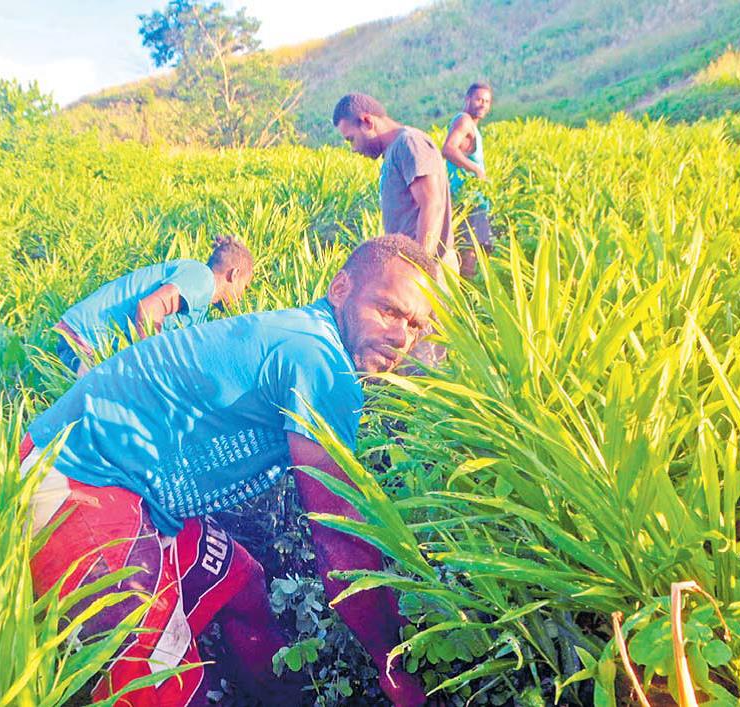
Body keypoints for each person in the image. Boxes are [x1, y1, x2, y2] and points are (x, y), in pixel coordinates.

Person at [22, 235, 437, 706]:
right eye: (388, 310)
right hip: (78, 480)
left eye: (415, 325)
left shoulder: (308, 336)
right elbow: (340, 537)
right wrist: (395, 666)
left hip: (137, 491)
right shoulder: (318, 360)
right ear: (340, 289)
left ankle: (285, 698)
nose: (401, 337)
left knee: (239, 583)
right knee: (160, 681)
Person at [53, 235, 254, 374]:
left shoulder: (200, 308)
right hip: (84, 340)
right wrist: (153, 366)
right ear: (234, 274)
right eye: (245, 287)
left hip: (84, 341)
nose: (242, 297)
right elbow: (149, 308)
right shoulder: (201, 277)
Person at [332, 93, 457, 274]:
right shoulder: (395, 150)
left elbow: (431, 204)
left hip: (429, 269)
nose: (353, 149)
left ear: (367, 122)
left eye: (351, 139)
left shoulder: (409, 143)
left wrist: (420, 268)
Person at [442, 82, 494, 277]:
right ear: (468, 99)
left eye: (487, 101)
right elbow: (448, 149)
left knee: (479, 249)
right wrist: (476, 170)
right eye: (479, 99)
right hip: (467, 200)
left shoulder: (471, 125)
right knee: (469, 250)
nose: (483, 104)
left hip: (475, 200)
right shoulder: (463, 121)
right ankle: (465, 291)